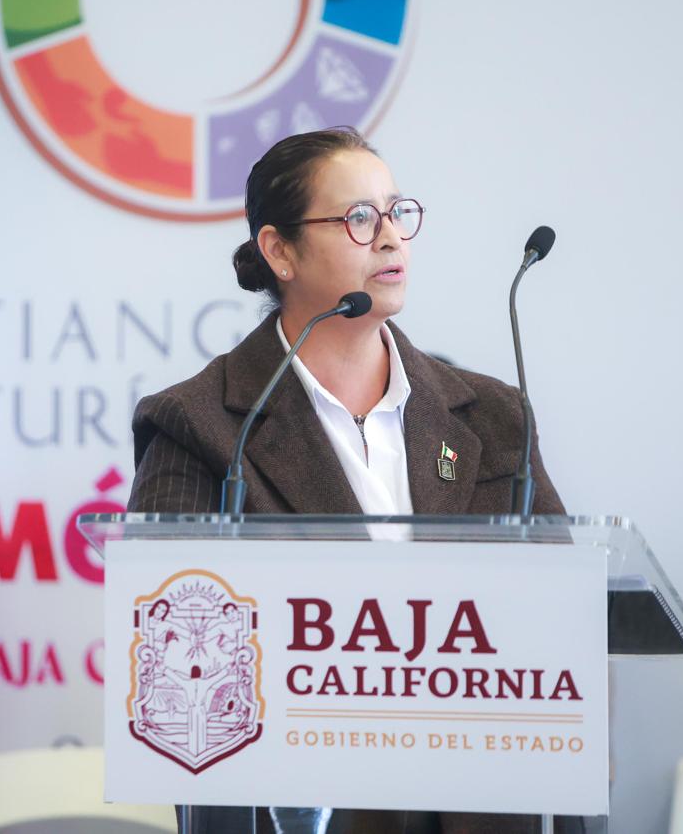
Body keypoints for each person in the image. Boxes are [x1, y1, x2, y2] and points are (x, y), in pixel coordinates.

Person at [127, 128, 567, 834]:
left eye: (397, 212)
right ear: (280, 251)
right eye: (359, 218)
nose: (390, 237)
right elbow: (173, 653)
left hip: (480, 808)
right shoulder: (202, 424)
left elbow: (564, 613)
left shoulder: (492, 417)